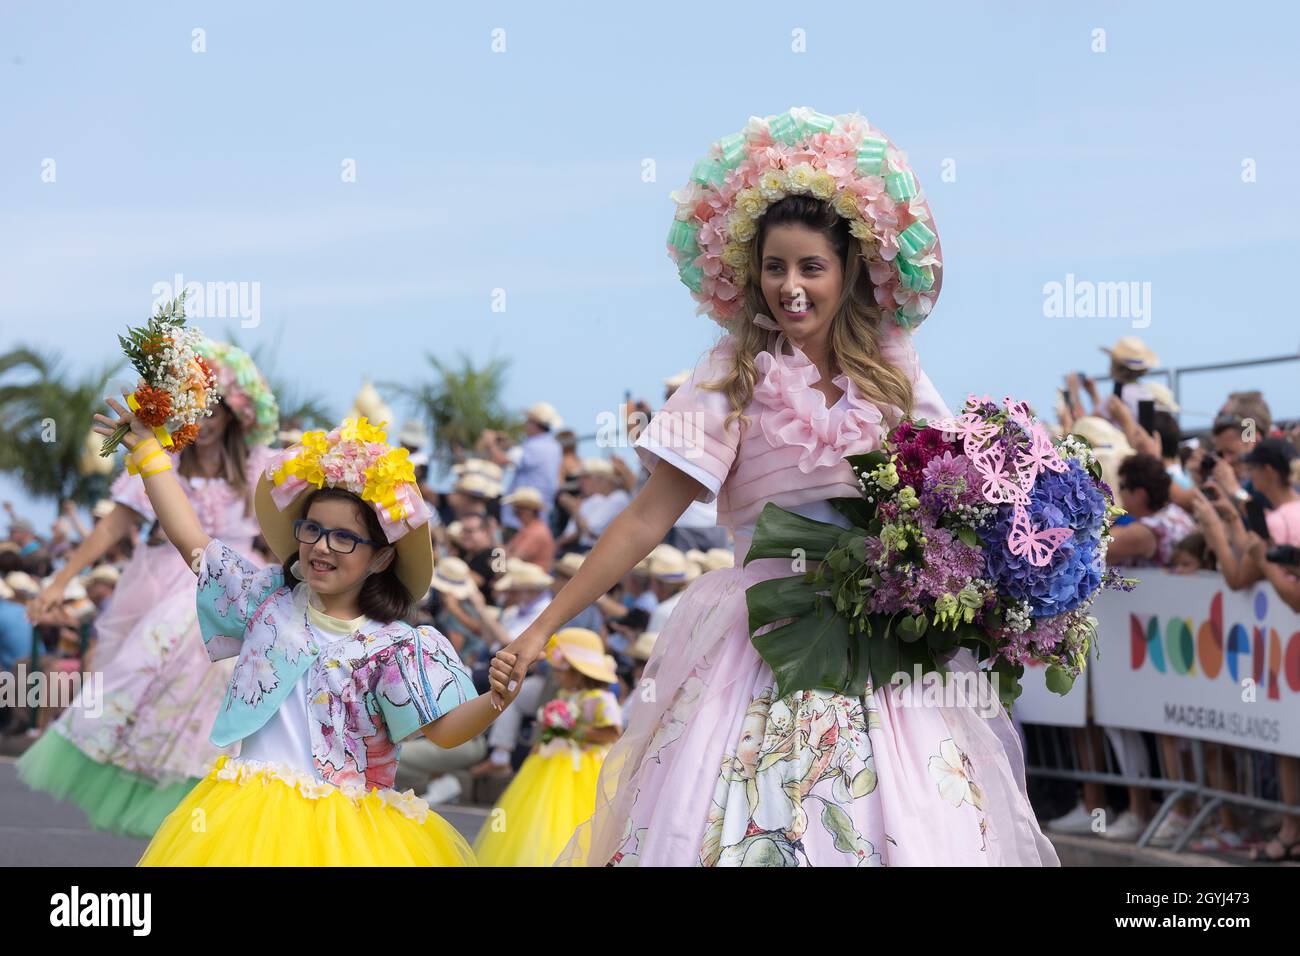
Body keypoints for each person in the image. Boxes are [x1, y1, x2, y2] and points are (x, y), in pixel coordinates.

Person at [490, 108, 1057, 866]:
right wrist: (540, 629)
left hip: (882, 654)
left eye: (810, 267)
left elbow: (958, 505)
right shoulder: (729, 375)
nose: (790, 287)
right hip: (759, 642)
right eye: (774, 267)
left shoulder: (896, 371)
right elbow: (643, 521)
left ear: (848, 269)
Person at [93, 402, 518, 865]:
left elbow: (444, 730)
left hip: (351, 839)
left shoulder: (395, 645)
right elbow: (191, 541)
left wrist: (496, 697)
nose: (321, 546)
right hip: (247, 819)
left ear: (380, 558)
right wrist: (150, 455)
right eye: (312, 530)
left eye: (343, 538)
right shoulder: (268, 603)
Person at [17, 341, 281, 838]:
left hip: (231, 584)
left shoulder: (257, 467)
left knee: (218, 688)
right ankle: (132, 767)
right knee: (138, 672)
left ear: (231, 415)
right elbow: (112, 527)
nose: (204, 423)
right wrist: (59, 581)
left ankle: (201, 788)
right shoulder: (162, 462)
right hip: (164, 581)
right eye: (192, 411)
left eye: (212, 411)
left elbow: (293, 520)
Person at [473, 628, 622, 866]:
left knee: (575, 816)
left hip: (584, 766)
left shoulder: (600, 698)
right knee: (539, 817)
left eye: (561, 670)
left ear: (577, 670)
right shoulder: (564, 693)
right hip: (552, 760)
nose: (557, 675)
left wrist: (572, 730)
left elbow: (612, 732)